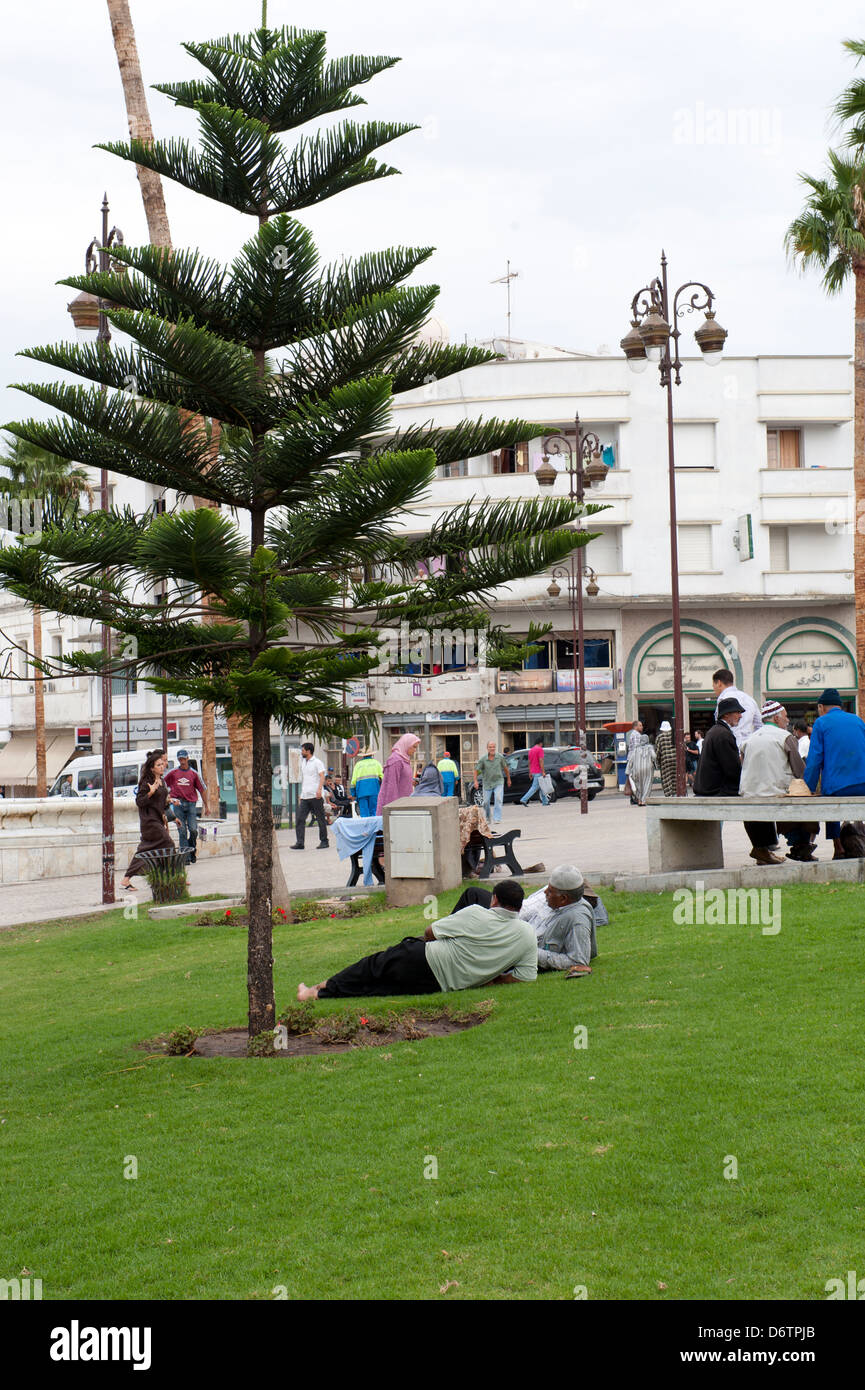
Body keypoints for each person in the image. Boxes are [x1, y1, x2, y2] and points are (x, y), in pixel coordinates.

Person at [296, 878, 537, 999]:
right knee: (383, 987)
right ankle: (321, 993)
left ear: (493, 899)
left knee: (372, 966)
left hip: (427, 959)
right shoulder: (527, 934)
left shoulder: (477, 913)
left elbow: (430, 932)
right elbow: (524, 977)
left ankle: (316, 990)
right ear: (518, 906)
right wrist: (492, 980)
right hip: (442, 985)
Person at [451, 865, 602, 979]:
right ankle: (447, 938)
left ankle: (451, 949)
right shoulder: (556, 898)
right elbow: (525, 910)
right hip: (513, 920)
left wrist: (528, 951)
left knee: (478, 942)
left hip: (516, 945)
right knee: (473, 895)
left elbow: (578, 961)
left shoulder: (577, 919)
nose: (545, 893)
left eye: (549, 892)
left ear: (563, 899)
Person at [740, 700, 808, 864]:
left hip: (749, 793)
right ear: (777, 719)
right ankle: (802, 847)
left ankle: (762, 850)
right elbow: (799, 770)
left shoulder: (750, 739)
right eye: (785, 717)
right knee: (805, 806)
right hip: (776, 792)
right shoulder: (785, 737)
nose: (788, 720)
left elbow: (742, 762)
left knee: (758, 803)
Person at [803, 688, 865, 859]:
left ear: (821, 706)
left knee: (828, 800)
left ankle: (838, 847)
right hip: (863, 784)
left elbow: (815, 760)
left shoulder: (821, 723)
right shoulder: (858, 721)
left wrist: (807, 788)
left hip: (838, 787)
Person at [120, 748, 175, 890]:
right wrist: (150, 793)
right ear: (152, 768)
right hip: (149, 822)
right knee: (168, 843)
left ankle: (126, 879)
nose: (162, 766)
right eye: (158, 765)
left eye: (163, 764)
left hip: (158, 819)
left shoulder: (161, 781)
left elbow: (161, 802)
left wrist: (169, 803)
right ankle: (173, 875)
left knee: (145, 850)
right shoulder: (146, 783)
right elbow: (140, 802)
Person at [693, 698, 745, 797]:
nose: (740, 716)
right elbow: (732, 769)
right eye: (737, 712)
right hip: (716, 791)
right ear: (726, 714)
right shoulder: (723, 734)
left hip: (707, 789)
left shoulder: (715, 731)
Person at [164, 749, 207, 864]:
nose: (182, 761)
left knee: (193, 830)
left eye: (184, 759)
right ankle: (185, 857)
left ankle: (191, 849)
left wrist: (206, 806)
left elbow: (202, 789)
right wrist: (168, 798)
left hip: (191, 804)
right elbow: (162, 784)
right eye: (180, 759)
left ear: (188, 758)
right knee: (182, 831)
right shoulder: (173, 773)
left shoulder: (194, 773)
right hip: (178, 805)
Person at [291, 742, 329, 850]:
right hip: (305, 796)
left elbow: (322, 776)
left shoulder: (317, 762)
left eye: (303, 750)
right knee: (299, 819)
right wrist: (301, 794)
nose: (301, 752)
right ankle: (300, 842)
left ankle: (324, 841)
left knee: (321, 819)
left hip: (315, 795)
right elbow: (306, 779)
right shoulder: (303, 762)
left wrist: (319, 789)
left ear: (308, 751)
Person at [712, 669, 762, 749]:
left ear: (719, 683)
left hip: (731, 748)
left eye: (713, 685)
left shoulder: (723, 700)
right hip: (749, 748)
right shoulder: (749, 699)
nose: (714, 689)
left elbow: (722, 726)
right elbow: (760, 725)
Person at [377, 733, 421, 812]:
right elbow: (391, 787)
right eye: (413, 747)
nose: (415, 750)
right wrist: (392, 811)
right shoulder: (396, 760)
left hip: (403, 805)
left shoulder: (404, 760)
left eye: (416, 748)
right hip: (395, 808)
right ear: (406, 744)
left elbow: (402, 779)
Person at [475, 740, 512, 821]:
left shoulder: (500, 757)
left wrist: (509, 779)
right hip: (487, 783)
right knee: (486, 802)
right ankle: (488, 817)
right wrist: (475, 781)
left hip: (498, 781)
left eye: (493, 747)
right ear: (487, 748)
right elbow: (476, 770)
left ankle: (497, 818)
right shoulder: (483, 759)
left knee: (498, 799)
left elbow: (506, 768)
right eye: (490, 747)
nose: (492, 748)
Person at [350, 750, 383, 818]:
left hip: (361, 793)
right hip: (374, 791)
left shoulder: (358, 765)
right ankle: (373, 828)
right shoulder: (376, 763)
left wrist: (353, 794)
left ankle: (366, 828)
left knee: (364, 813)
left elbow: (353, 781)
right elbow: (383, 778)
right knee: (373, 812)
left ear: (363, 756)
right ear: (371, 755)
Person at [625, 732, 656, 806]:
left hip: (637, 769)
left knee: (638, 785)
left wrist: (628, 770)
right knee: (647, 784)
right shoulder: (650, 748)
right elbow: (654, 756)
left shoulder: (635, 749)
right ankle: (644, 801)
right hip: (647, 769)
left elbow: (631, 760)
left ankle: (639, 800)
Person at [519, 740, 549, 807]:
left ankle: (545, 801)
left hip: (533, 771)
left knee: (542, 786)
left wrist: (530, 772)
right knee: (534, 787)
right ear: (540, 743)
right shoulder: (540, 749)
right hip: (538, 771)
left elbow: (529, 762)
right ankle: (524, 799)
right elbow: (541, 761)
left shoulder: (531, 750)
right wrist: (543, 771)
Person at [655, 720, 676, 797]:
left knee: (666, 778)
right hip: (675, 760)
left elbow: (657, 751)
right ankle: (675, 793)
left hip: (665, 761)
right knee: (675, 777)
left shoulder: (659, 737)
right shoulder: (674, 735)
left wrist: (657, 762)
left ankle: (668, 794)